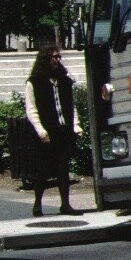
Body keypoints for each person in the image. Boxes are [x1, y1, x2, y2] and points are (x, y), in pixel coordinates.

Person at [24, 46, 83, 216]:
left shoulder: (64, 80)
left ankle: (65, 204)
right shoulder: (34, 82)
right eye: (54, 57)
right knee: (43, 169)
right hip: (47, 131)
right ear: (45, 59)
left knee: (63, 168)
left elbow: (71, 105)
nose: (57, 60)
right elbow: (31, 109)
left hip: (63, 130)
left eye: (58, 57)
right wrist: (40, 130)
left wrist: (75, 125)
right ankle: (37, 203)